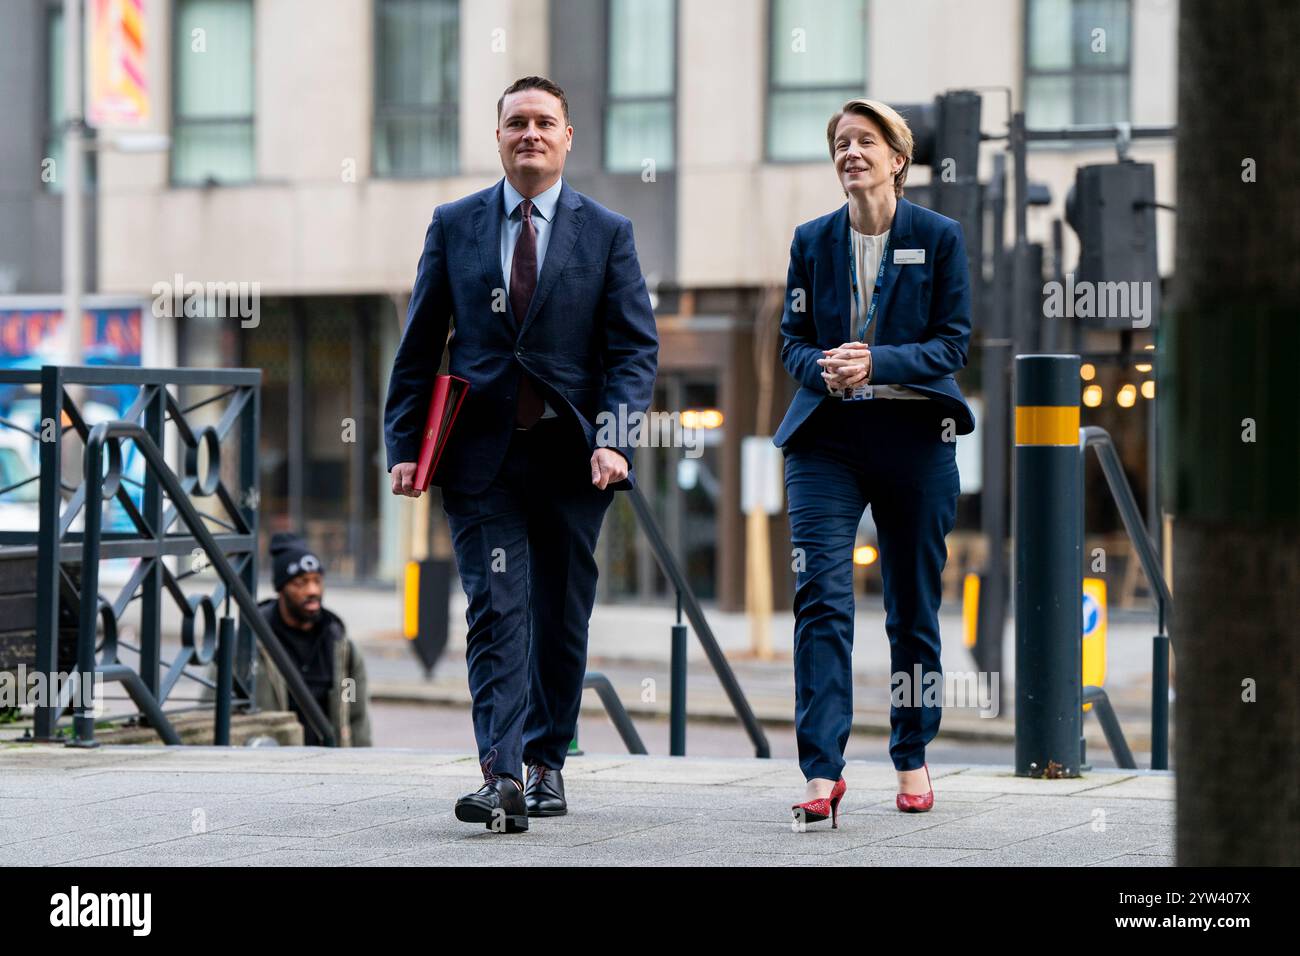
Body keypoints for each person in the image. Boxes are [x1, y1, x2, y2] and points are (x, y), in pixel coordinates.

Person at [383, 76, 658, 833]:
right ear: (496, 137)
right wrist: (405, 445)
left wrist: (614, 437)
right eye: (516, 123)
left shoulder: (607, 233)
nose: (529, 133)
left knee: (561, 617)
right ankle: (499, 775)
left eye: (544, 122)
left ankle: (545, 764)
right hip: (481, 461)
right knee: (498, 611)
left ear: (569, 137)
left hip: (574, 460)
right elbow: (419, 346)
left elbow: (633, 352)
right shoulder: (454, 224)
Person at [773, 98, 975, 828]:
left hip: (915, 438)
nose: (851, 152)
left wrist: (877, 359)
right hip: (825, 440)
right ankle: (822, 771)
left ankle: (912, 752)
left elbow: (953, 344)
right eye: (840, 142)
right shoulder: (811, 241)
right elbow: (791, 340)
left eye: (866, 141)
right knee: (821, 599)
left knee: (912, 605)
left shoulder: (939, 237)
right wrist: (820, 368)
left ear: (898, 158)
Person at [252, 532, 372, 747]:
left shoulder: (342, 651)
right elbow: (214, 705)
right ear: (282, 588)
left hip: (327, 766)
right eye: (301, 583)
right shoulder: (252, 644)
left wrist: (363, 765)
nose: (312, 591)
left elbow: (355, 712)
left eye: (317, 581)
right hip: (268, 766)